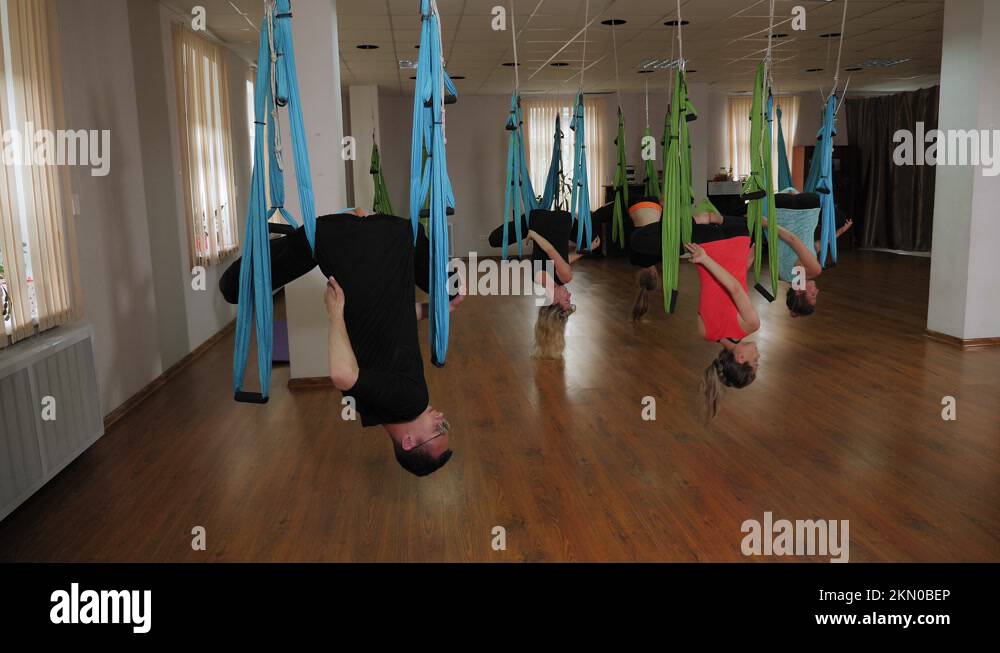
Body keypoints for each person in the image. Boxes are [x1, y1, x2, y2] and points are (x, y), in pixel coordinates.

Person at [219, 209, 462, 477]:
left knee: (453, 290)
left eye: (438, 430)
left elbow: (342, 375)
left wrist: (335, 311)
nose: (442, 420)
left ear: (408, 442)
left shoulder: (412, 402)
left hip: (390, 237)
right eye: (445, 426)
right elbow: (394, 320)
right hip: (336, 241)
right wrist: (432, 310)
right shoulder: (366, 406)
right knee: (232, 288)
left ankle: (362, 223)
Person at [630, 200, 760, 420]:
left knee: (645, 246)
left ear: (739, 358)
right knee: (638, 243)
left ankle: (705, 219)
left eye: (755, 361)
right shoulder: (706, 333)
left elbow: (736, 287)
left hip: (735, 235)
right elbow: (724, 287)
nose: (759, 357)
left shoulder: (750, 325)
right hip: (707, 244)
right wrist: (706, 258)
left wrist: (744, 247)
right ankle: (690, 218)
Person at [489, 208, 599, 359]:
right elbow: (562, 260)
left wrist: (534, 235)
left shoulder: (565, 277)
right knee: (494, 240)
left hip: (562, 219)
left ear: (554, 301)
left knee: (593, 239)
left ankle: (532, 226)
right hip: (536, 218)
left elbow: (551, 250)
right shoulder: (539, 279)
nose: (570, 294)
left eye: (566, 299)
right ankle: (527, 221)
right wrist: (532, 231)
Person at [768, 190, 854, 317]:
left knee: (839, 217)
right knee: (838, 223)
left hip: (807, 205)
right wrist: (840, 232)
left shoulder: (813, 271)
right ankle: (792, 192)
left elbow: (793, 240)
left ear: (799, 292)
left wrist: (765, 223)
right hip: (779, 205)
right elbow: (814, 246)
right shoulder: (780, 275)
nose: (817, 291)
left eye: (813, 295)